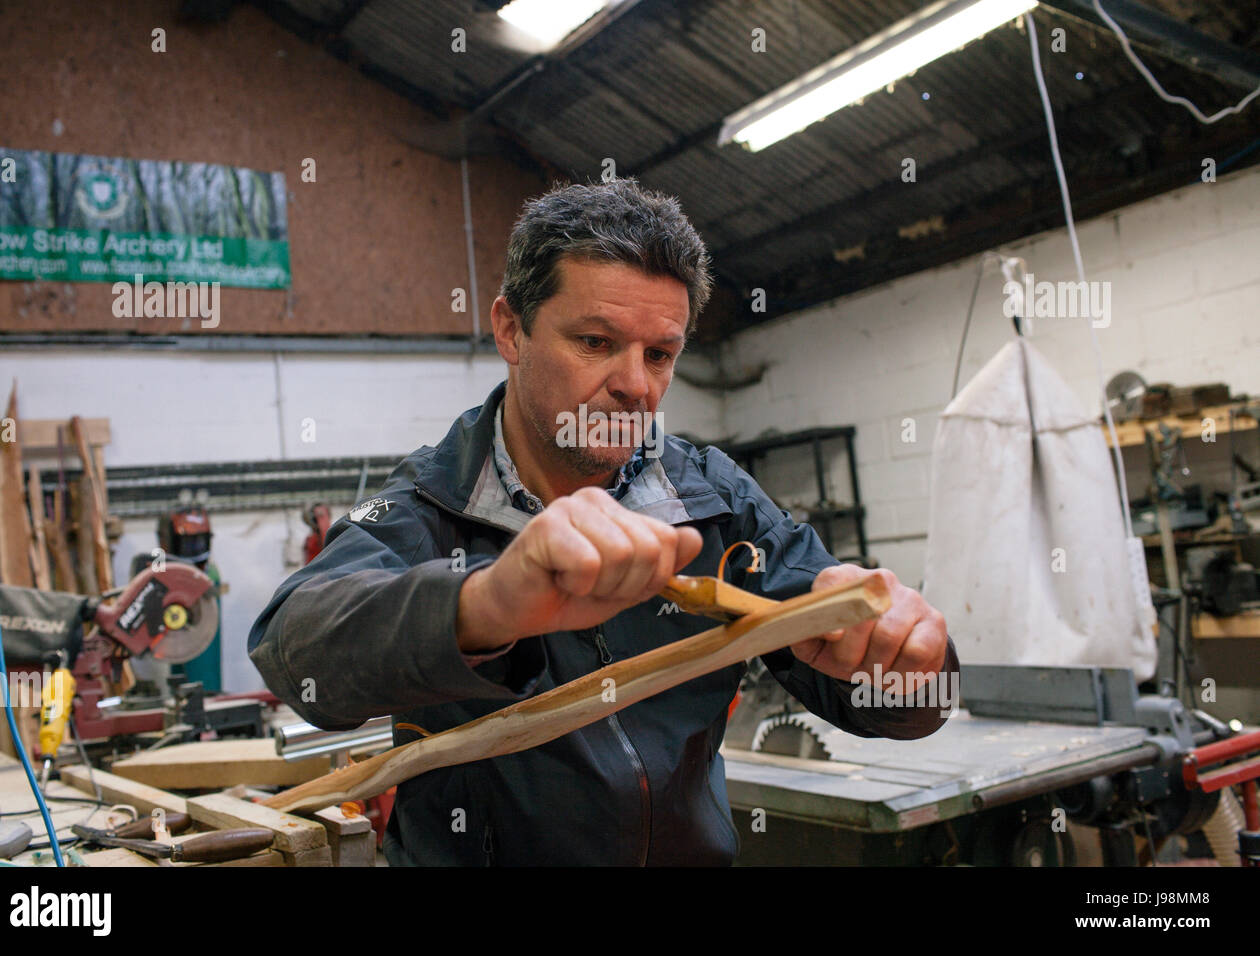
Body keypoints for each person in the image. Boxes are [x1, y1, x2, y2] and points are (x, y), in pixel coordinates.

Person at [248, 178, 958, 866]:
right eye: (595, 342)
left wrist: (906, 666)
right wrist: (486, 605)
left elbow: (882, 698)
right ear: (510, 330)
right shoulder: (427, 500)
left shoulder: (712, 496)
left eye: (660, 354)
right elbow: (293, 648)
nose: (635, 384)